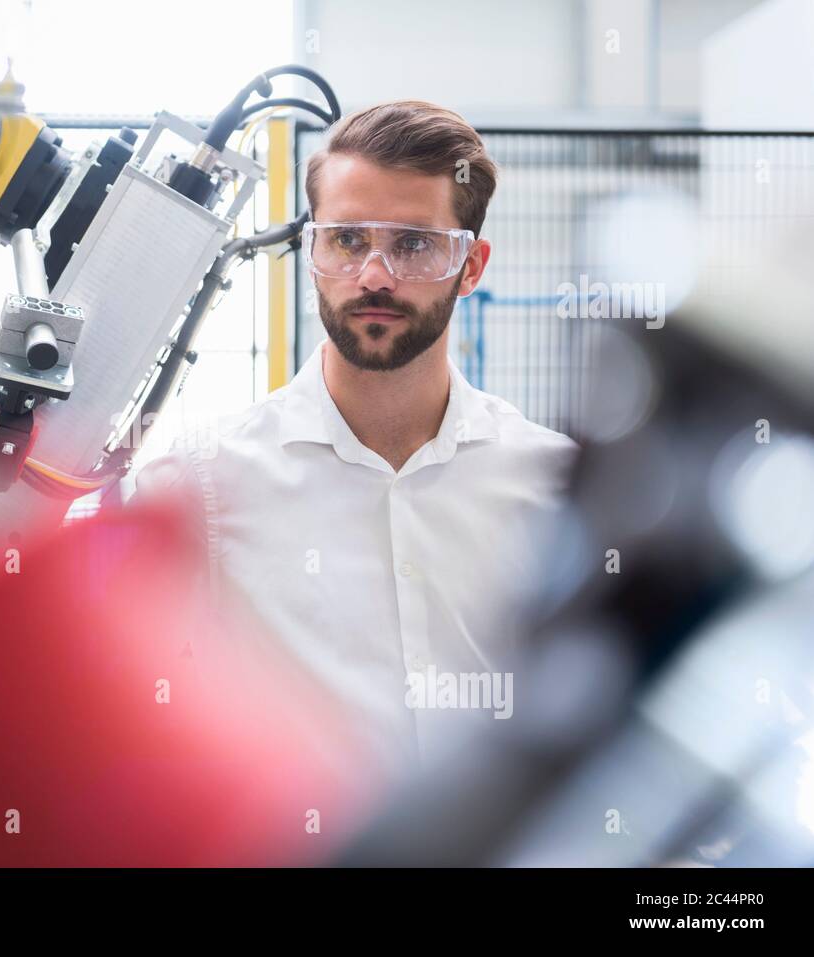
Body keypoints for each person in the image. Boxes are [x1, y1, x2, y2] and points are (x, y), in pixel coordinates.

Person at [134, 100, 579, 769]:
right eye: (347, 240)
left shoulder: (555, 485)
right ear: (313, 250)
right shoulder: (200, 487)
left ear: (472, 266)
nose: (374, 275)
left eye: (414, 244)